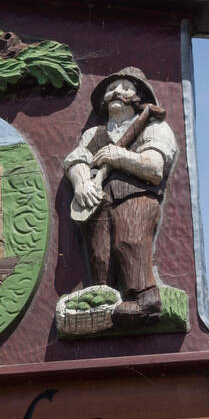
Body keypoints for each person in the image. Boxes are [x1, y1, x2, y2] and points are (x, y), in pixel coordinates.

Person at [63, 67, 179, 325]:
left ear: (138, 97)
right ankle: (104, 299)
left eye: (126, 87)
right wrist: (82, 181)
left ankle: (144, 301)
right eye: (112, 88)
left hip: (135, 197)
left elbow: (154, 167)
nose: (117, 92)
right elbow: (76, 159)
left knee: (129, 241)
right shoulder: (94, 134)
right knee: (100, 253)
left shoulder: (153, 127)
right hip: (98, 202)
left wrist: (119, 156)